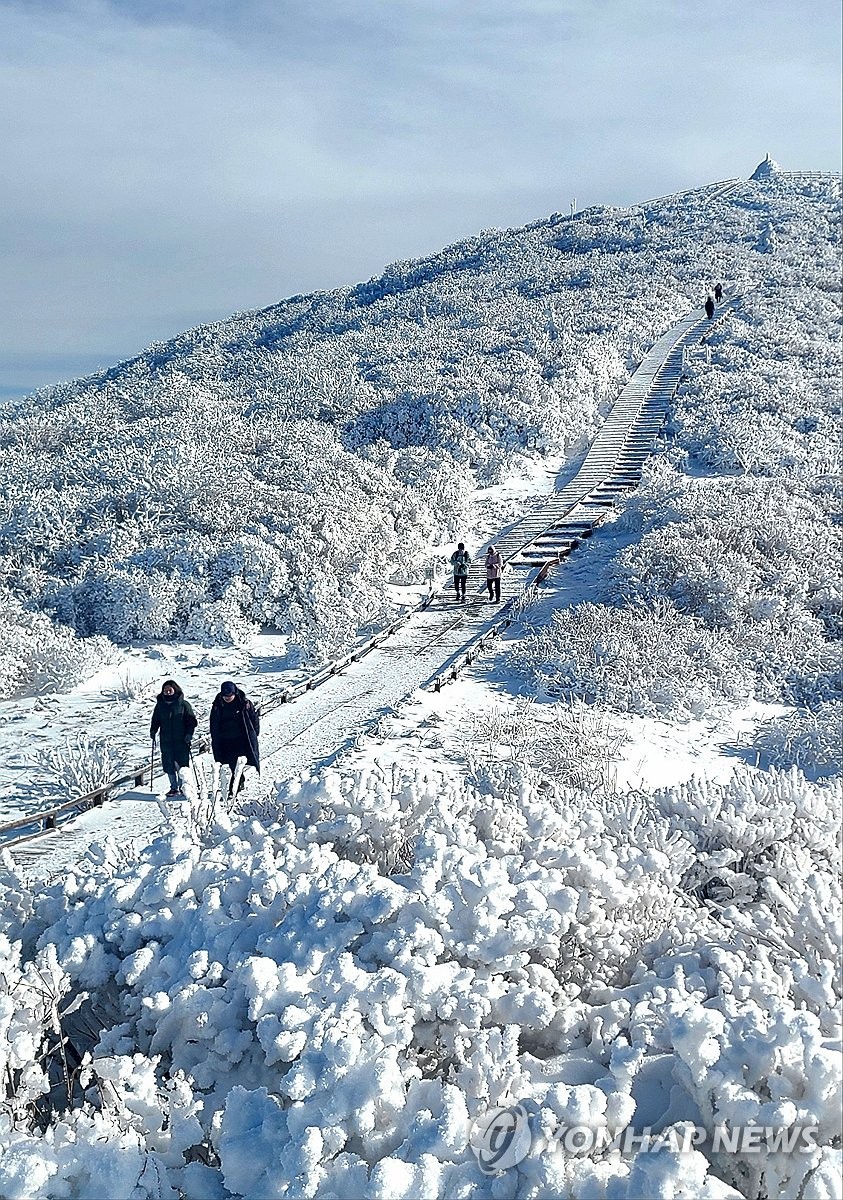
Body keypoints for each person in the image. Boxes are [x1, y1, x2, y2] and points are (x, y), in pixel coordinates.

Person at [210, 680, 260, 796]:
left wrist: (255, 733)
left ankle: (235, 785)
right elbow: (214, 722)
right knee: (232, 762)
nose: (227, 698)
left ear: (234, 693)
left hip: (242, 738)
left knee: (238, 761)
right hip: (225, 739)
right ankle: (239, 780)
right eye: (225, 696)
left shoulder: (244, 703)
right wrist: (215, 736)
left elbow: (254, 718)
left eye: (230, 695)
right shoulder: (217, 705)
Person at [150, 679, 197, 797]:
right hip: (166, 740)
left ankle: (183, 787)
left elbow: (191, 721)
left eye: (169, 690)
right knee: (168, 764)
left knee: (181, 764)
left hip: (181, 739)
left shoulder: (183, 705)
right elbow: (155, 720)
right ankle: (173, 788)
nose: (167, 693)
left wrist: (189, 734)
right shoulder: (160, 706)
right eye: (165, 691)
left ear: (175, 690)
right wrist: (153, 730)